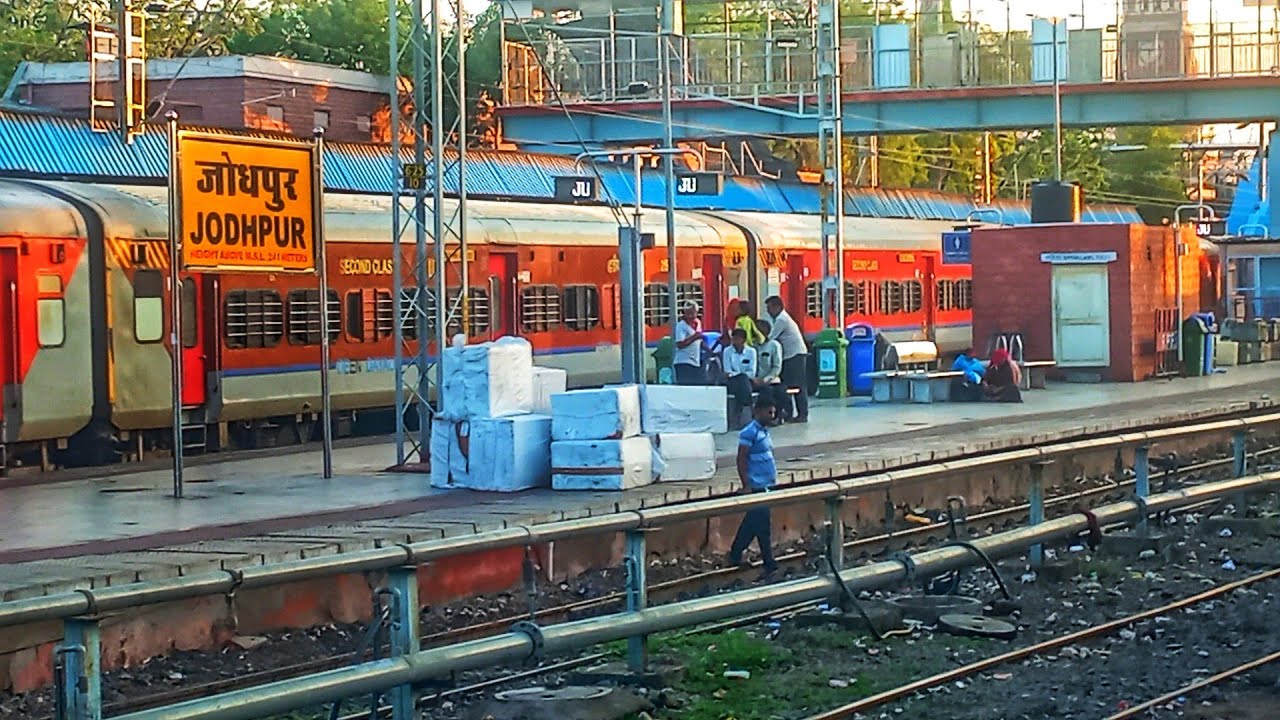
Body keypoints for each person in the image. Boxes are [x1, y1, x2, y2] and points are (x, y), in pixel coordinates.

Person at [728, 395, 779, 580]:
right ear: (758, 411)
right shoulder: (749, 433)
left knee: (752, 524)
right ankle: (769, 562)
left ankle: (735, 554)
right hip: (757, 486)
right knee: (762, 526)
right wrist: (746, 484)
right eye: (769, 412)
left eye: (773, 412)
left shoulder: (765, 432)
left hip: (767, 485)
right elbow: (741, 459)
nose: (772, 415)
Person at [765, 295, 808, 423]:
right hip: (790, 355)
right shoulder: (781, 318)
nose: (768, 311)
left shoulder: (781, 320)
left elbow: (770, 338)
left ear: (777, 307)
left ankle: (802, 414)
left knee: (797, 385)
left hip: (795, 355)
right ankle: (790, 413)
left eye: (769, 308)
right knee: (788, 385)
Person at [721, 328, 757, 426]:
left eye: (737, 339)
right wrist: (739, 375)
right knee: (742, 381)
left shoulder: (751, 351)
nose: (735, 341)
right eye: (734, 339)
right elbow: (727, 371)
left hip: (747, 381)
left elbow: (752, 372)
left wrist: (740, 374)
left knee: (743, 381)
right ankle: (749, 407)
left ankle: (738, 411)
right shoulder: (727, 351)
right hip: (732, 381)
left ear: (744, 340)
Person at [754, 318, 786, 413]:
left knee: (775, 391)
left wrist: (765, 379)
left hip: (771, 380)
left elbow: (776, 367)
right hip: (754, 380)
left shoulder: (774, 345)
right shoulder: (752, 346)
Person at [673, 301, 705, 385]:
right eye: (688, 312)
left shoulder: (698, 323)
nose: (690, 315)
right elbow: (680, 344)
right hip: (684, 362)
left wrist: (710, 352)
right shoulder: (681, 326)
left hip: (695, 362)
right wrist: (694, 337)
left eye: (692, 312)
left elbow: (699, 341)